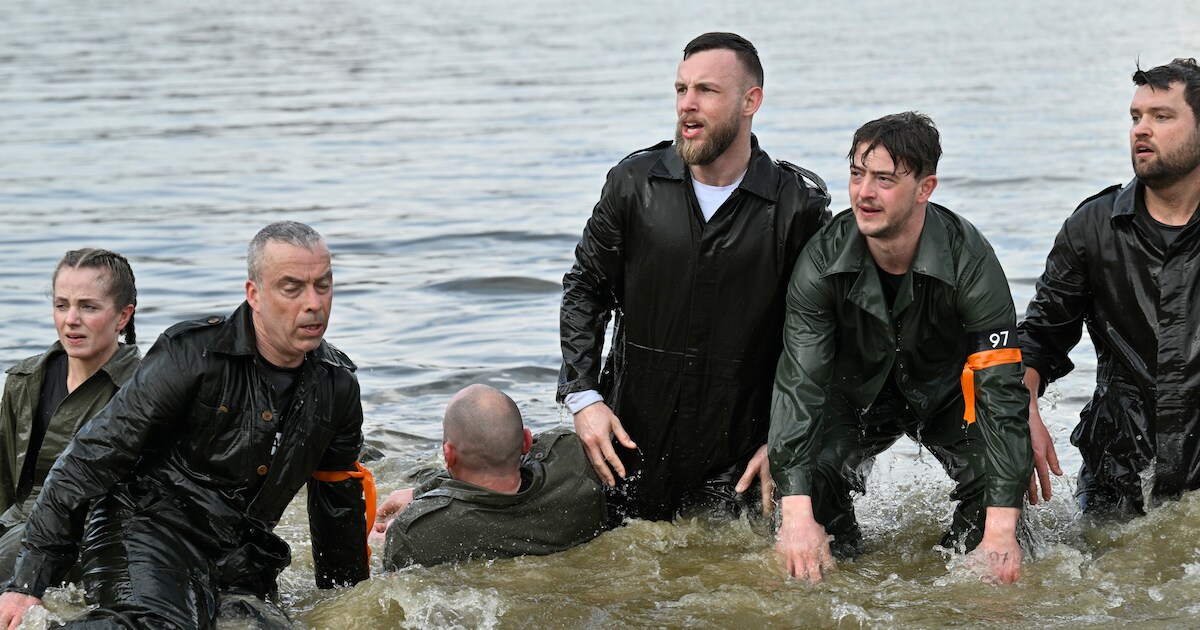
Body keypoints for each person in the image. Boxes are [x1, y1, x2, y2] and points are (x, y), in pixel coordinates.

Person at [0, 221, 371, 629]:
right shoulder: (190, 356)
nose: (314, 303)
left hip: (240, 553)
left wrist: (350, 606)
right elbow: (87, 460)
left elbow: (337, 504)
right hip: (144, 530)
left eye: (323, 285)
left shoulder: (337, 385)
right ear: (255, 295)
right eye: (292, 288)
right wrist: (25, 583)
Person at [558, 32, 830, 523]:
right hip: (627, 444)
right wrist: (584, 398)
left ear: (751, 101)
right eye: (681, 89)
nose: (687, 104)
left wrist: (785, 440)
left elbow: (819, 335)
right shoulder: (634, 184)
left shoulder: (798, 206)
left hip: (740, 463)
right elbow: (585, 288)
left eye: (706, 90)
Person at [770, 112, 1032, 585]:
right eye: (856, 174)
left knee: (1000, 488)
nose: (864, 193)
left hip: (948, 398)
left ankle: (962, 573)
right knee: (804, 484)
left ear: (925, 187)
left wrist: (1001, 531)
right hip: (855, 398)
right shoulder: (821, 261)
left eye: (885, 179)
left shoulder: (971, 261)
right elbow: (800, 385)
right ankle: (846, 569)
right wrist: (795, 516)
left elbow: (1000, 394)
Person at [1019, 58, 1200, 517]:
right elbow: (1039, 339)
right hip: (1117, 476)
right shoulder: (1093, 226)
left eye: (1162, 117)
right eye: (1136, 117)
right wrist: (1024, 412)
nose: (1142, 129)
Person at [0, 249, 140, 582]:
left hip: (87, 539)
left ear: (122, 316)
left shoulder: (145, 394)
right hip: (14, 526)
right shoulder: (23, 380)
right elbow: (3, 481)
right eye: (62, 305)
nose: (70, 320)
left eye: (88, 307)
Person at [374, 384, 607, 568]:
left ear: (448, 453)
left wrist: (385, 542)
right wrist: (418, 493)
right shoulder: (575, 462)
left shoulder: (417, 532)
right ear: (526, 441)